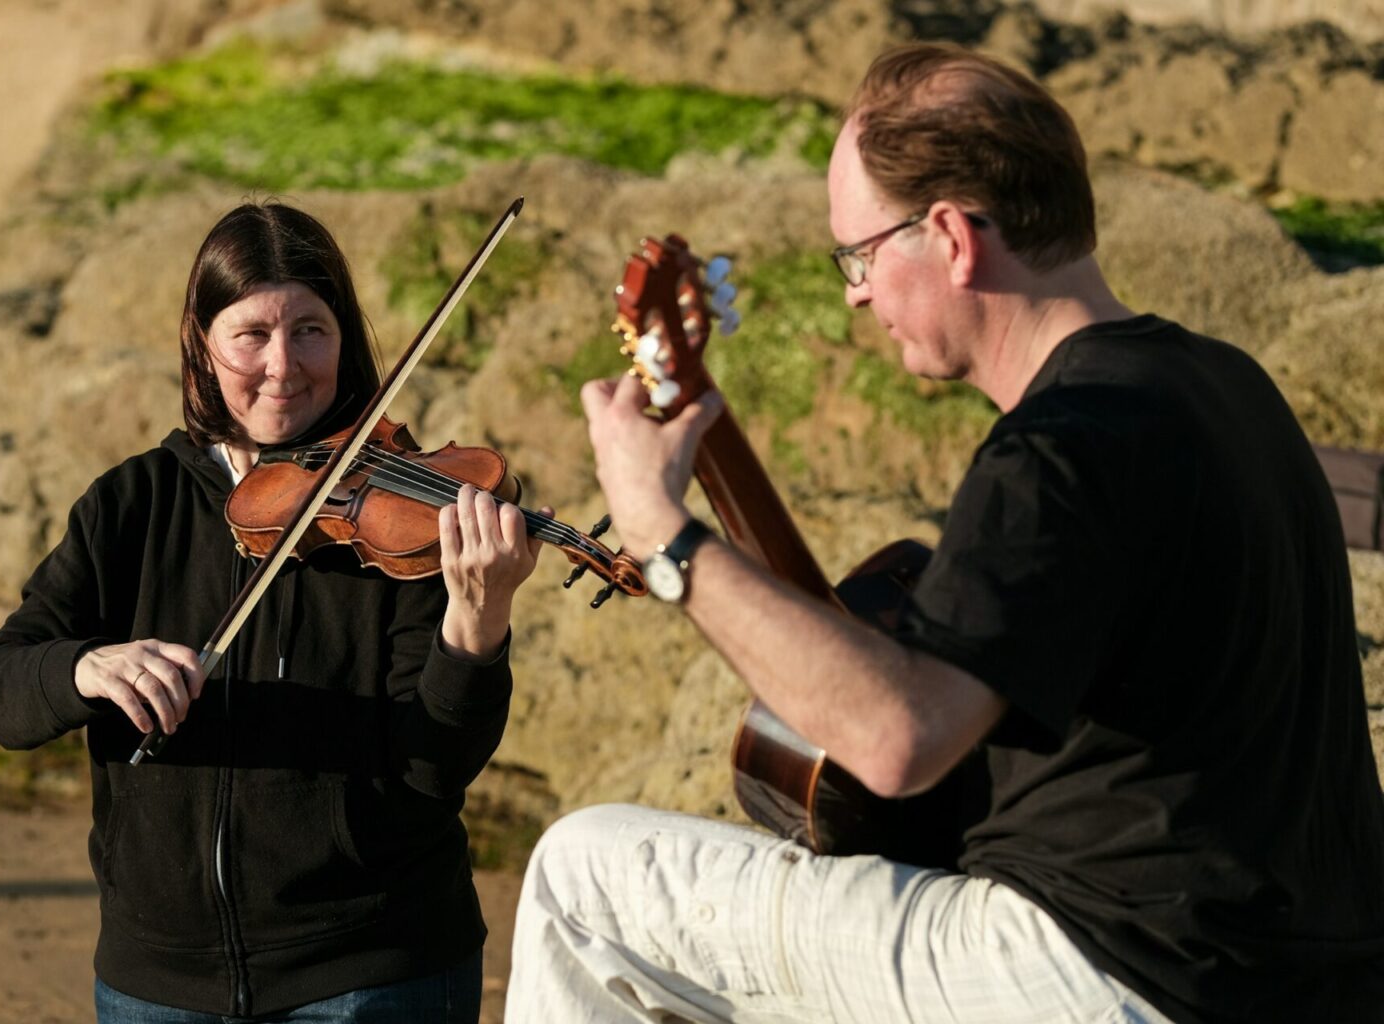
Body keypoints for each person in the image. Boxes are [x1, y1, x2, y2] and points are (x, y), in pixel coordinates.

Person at [504, 42, 1384, 1024]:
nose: (856, 293)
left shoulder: (1059, 448)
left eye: (861, 255)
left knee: (586, 879)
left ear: (954, 237)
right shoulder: (1229, 387)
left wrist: (662, 530)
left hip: (1108, 971)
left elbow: (896, 737)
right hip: (1307, 984)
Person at [0, 201, 544, 1023]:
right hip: (156, 986)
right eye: (252, 335)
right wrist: (85, 666)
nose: (283, 366)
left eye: (311, 330)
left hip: (371, 974)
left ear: (344, 341)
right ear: (202, 344)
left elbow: (434, 770)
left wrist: (477, 627)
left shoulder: (397, 511)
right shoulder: (133, 505)